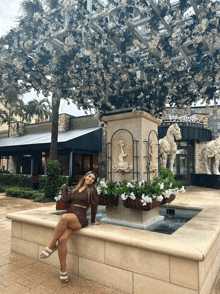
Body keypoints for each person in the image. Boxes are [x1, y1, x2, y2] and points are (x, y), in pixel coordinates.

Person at [39, 171, 102, 283]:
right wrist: (64, 189)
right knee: (62, 239)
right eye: (89, 176)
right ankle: (63, 271)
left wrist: (93, 220)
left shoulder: (92, 190)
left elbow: (94, 206)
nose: (90, 179)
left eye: (93, 178)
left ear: (94, 181)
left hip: (80, 217)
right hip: (71, 213)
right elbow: (65, 200)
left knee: (63, 218)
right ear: (85, 176)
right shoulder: (75, 188)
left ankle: (51, 245)